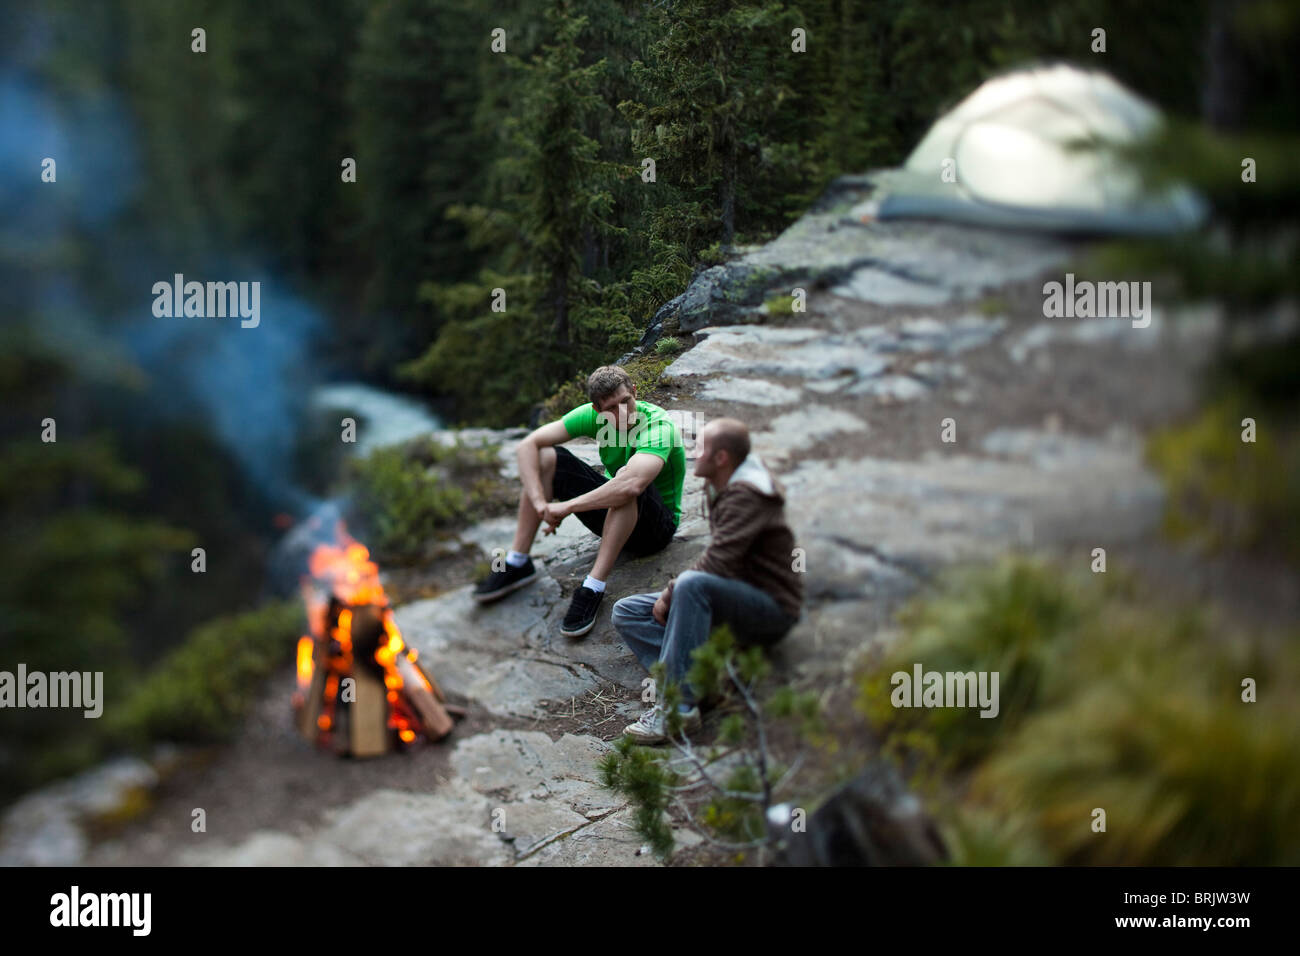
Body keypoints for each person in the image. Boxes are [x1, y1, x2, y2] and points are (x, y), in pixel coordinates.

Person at [612, 417, 802, 743]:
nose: (692, 452)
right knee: (626, 611)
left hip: (770, 607)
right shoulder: (723, 481)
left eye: (700, 447)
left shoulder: (748, 496)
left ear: (721, 458)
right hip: (733, 594)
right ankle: (703, 682)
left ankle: (679, 709)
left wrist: (670, 594)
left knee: (690, 585)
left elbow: (719, 562)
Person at [472, 365, 686, 638]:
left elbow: (631, 485)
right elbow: (528, 445)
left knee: (626, 481)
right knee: (547, 457)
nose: (621, 413)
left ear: (634, 392)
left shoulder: (658, 425)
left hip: (656, 530)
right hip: (614, 519)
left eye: (626, 401)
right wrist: (542, 505)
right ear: (597, 410)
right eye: (610, 408)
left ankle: (593, 586)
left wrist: (566, 507)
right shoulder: (591, 417)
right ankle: (517, 561)